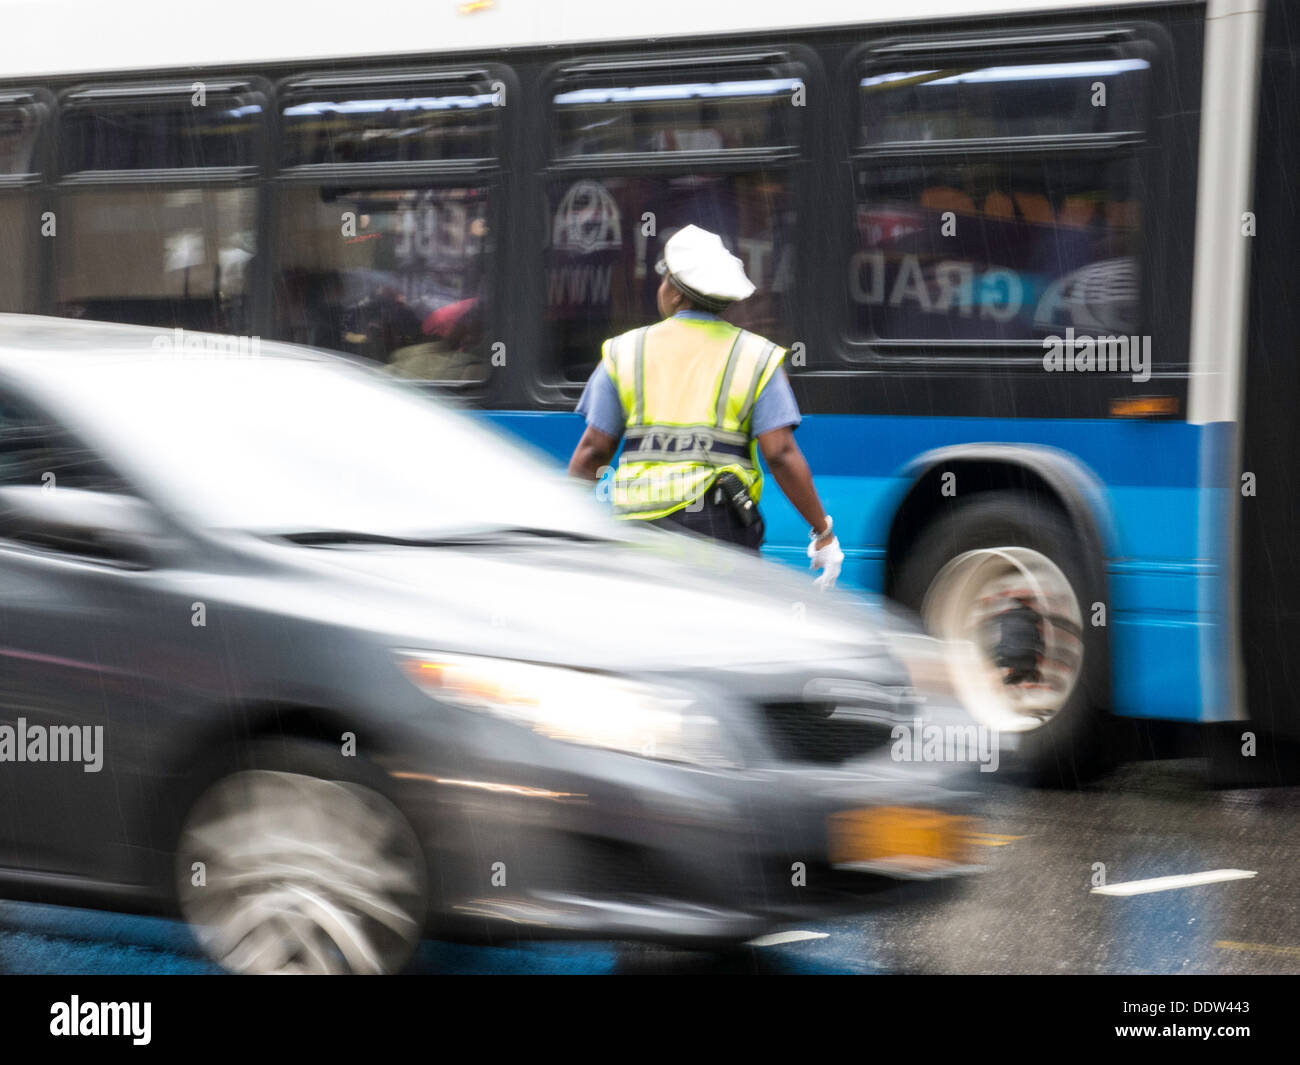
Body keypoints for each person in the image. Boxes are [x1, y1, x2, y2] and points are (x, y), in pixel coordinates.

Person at [567, 224, 844, 589]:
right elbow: (779, 454)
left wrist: (564, 527)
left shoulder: (623, 352)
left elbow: (592, 451)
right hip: (719, 534)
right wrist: (822, 530)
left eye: (664, 279)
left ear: (677, 294)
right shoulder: (756, 357)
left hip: (639, 537)